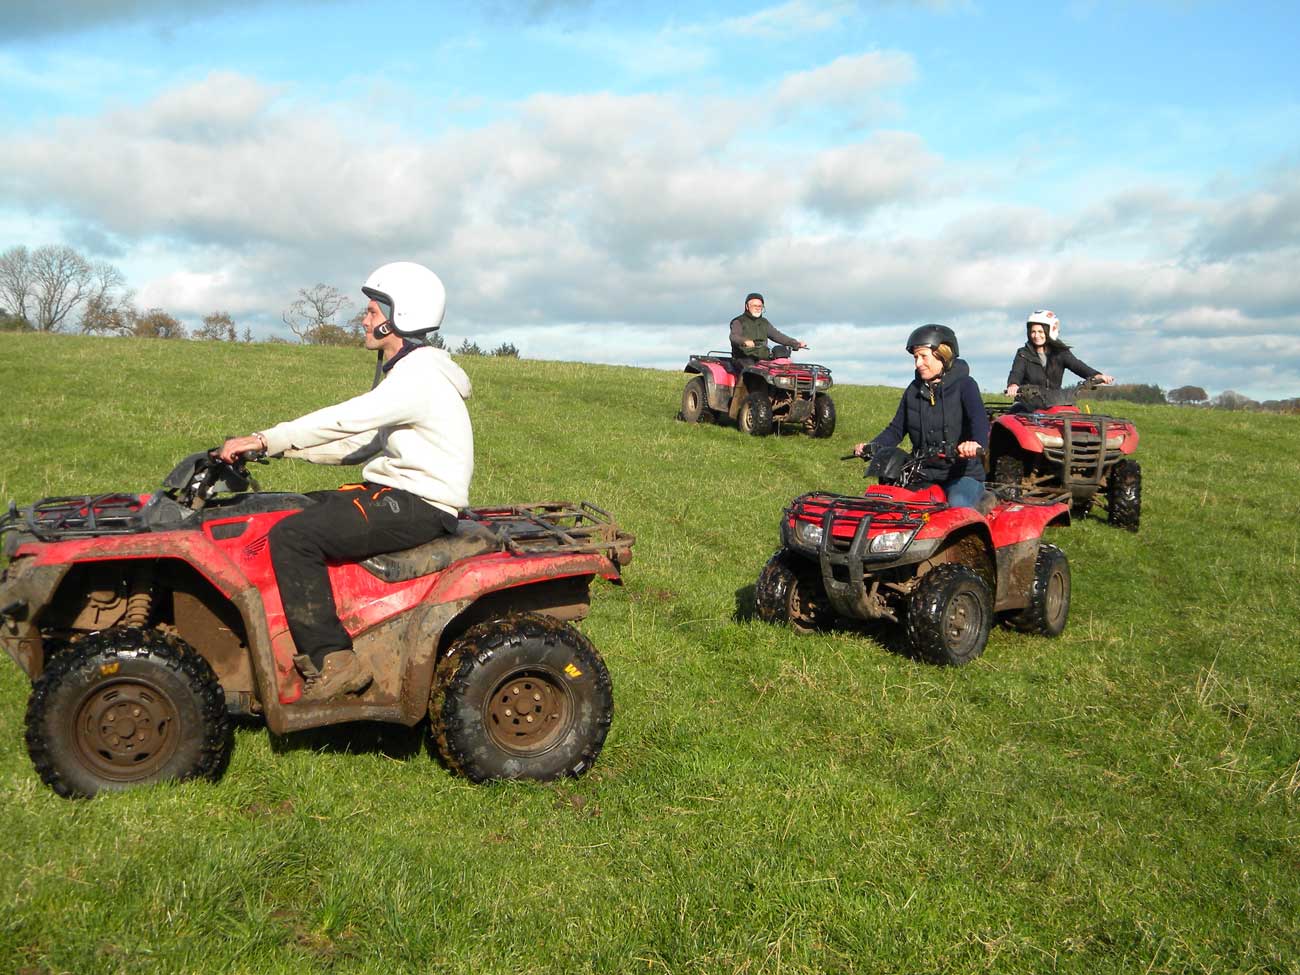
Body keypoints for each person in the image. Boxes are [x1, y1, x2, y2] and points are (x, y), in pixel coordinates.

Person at [218, 262, 473, 702]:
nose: (365, 319)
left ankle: (334, 661)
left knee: (295, 537)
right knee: (290, 507)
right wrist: (277, 450)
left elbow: (344, 419)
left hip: (420, 504)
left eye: (373, 312)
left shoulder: (420, 377)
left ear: (401, 317)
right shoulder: (409, 375)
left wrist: (265, 437)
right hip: (398, 493)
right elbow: (358, 446)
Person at [852, 324, 989, 511]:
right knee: (892, 506)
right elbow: (896, 429)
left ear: (943, 356)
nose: (918, 363)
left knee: (957, 508)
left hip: (962, 474)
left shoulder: (965, 385)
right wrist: (871, 446)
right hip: (923, 474)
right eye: (916, 357)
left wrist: (976, 444)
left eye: (923, 356)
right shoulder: (913, 390)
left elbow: (979, 421)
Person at [727, 292, 806, 416]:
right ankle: (747, 407)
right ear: (747, 306)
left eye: (760, 306)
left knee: (782, 371)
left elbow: (777, 335)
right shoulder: (738, 321)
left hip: (763, 358)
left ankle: (782, 401)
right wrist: (744, 341)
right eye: (755, 305)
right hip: (743, 357)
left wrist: (795, 343)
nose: (758, 308)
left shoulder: (764, 323)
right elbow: (734, 336)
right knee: (752, 373)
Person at [1005, 309, 1113, 398]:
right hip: (1028, 404)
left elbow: (1078, 366)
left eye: (1040, 332)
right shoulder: (1023, 354)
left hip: (1055, 402)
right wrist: (1013, 385)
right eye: (1033, 332)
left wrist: (1097, 376)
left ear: (1050, 331)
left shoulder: (1060, 353)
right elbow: (1016, 372)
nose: (1036, 336)